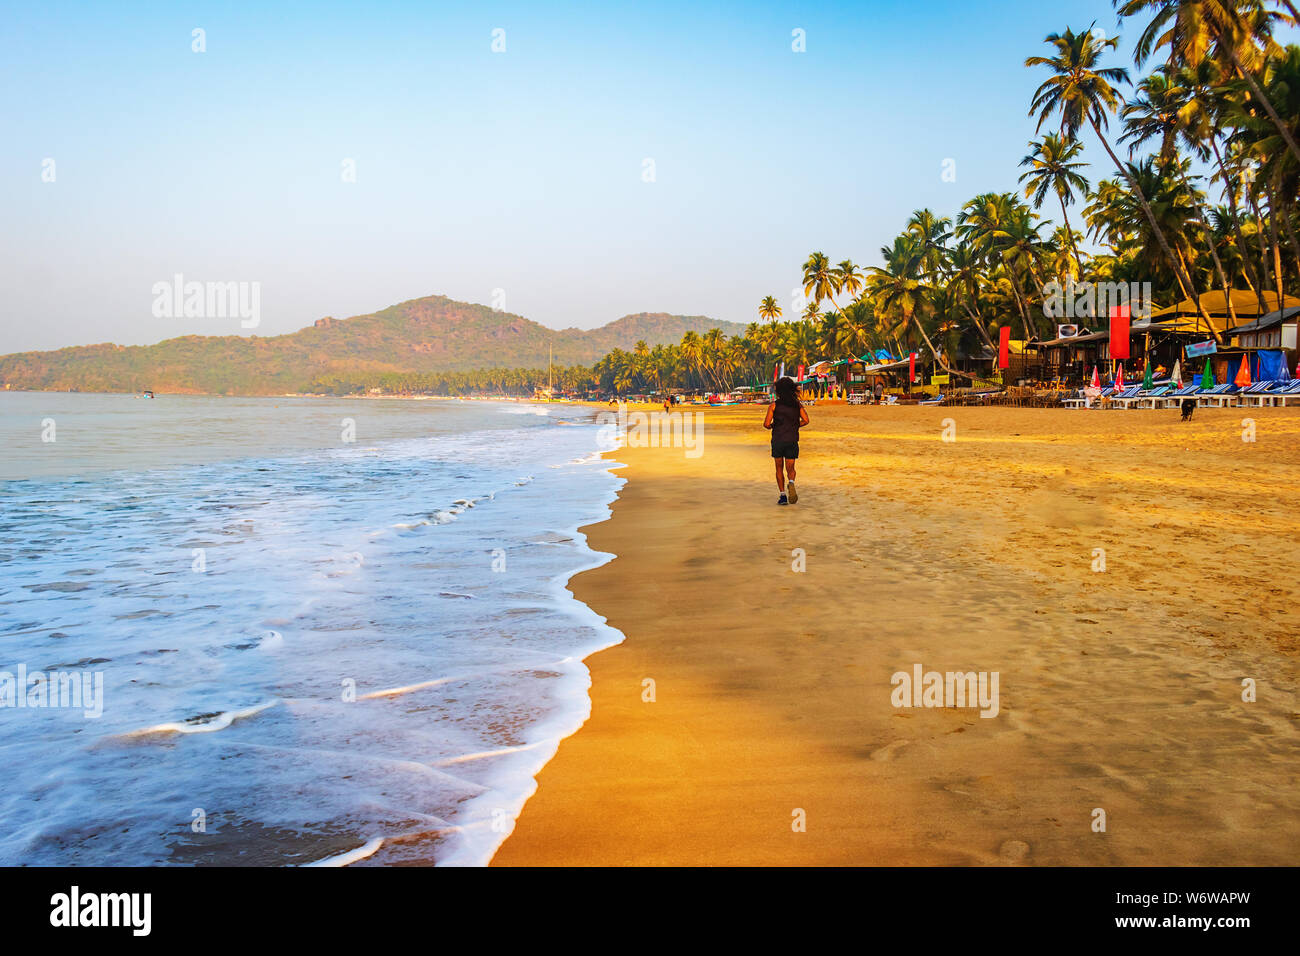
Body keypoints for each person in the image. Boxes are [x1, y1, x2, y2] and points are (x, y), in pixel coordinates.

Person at [763, 376, 809, 505]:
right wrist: (795, 425)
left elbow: (766, 424)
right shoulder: (797, 405)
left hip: (778, 440)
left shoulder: (774, 405)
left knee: (779, 468)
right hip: (792, 440)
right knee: (791, 468)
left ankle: (783, 496)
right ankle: (791, 483)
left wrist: (773, 426)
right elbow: (806, 420)